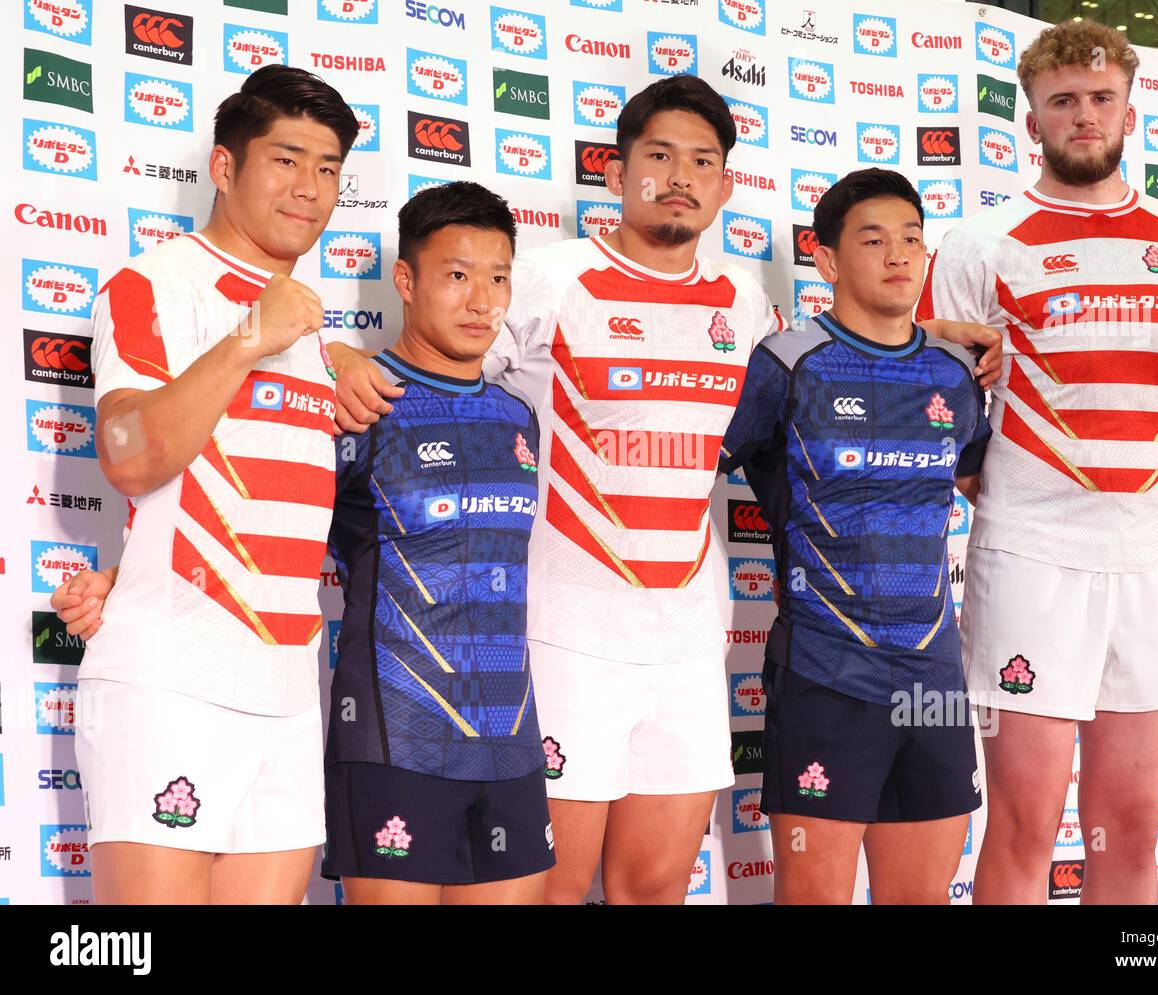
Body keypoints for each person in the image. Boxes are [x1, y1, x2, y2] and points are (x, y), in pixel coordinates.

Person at [329, 75, 1001, 904]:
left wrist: (924, 336)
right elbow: (432, 363)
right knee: (550, 887)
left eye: (702, 161)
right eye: (660, 157)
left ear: (725, 185)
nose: (681, 176)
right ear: (617, 174)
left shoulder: (744, 303)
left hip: (687, 641)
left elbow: (836, 349)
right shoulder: (544, 281)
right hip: (564, 637)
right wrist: (333, 355)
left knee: (654, 887)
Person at [915, 19, 1158, 904]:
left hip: (1153, 558)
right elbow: (938, 416)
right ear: (1031, 119)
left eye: (1100, 98)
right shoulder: (981, 243)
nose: (1084, 116)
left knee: (1132, 830)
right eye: (1063, 101)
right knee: (1026, 825)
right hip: (1031, 555)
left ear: (1129, 108)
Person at [49, 65, 358, 904]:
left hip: (289, 691)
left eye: (328, 168)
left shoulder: (315, 321)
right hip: (170, 682)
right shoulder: (154, 282)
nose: (310, 188)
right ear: (224, 167)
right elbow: (128, 455)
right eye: (287, 159)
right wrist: (248, 337)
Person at [719, 169, 989, 904]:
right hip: (825, 676)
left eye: (911, 239)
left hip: (931, 681)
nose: (899, 255)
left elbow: (980, 481)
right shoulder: (784, 364)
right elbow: (691, 472)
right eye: (874, 240)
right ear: (829, 260)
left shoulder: (956, 375)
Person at [322, 182, 552, 904]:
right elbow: (262, 523)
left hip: (510, 737)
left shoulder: (518, 416)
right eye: (457, 275)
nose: (483, 300)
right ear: (406, 279)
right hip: (396, 736)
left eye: (498, 277)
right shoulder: (358, 402)